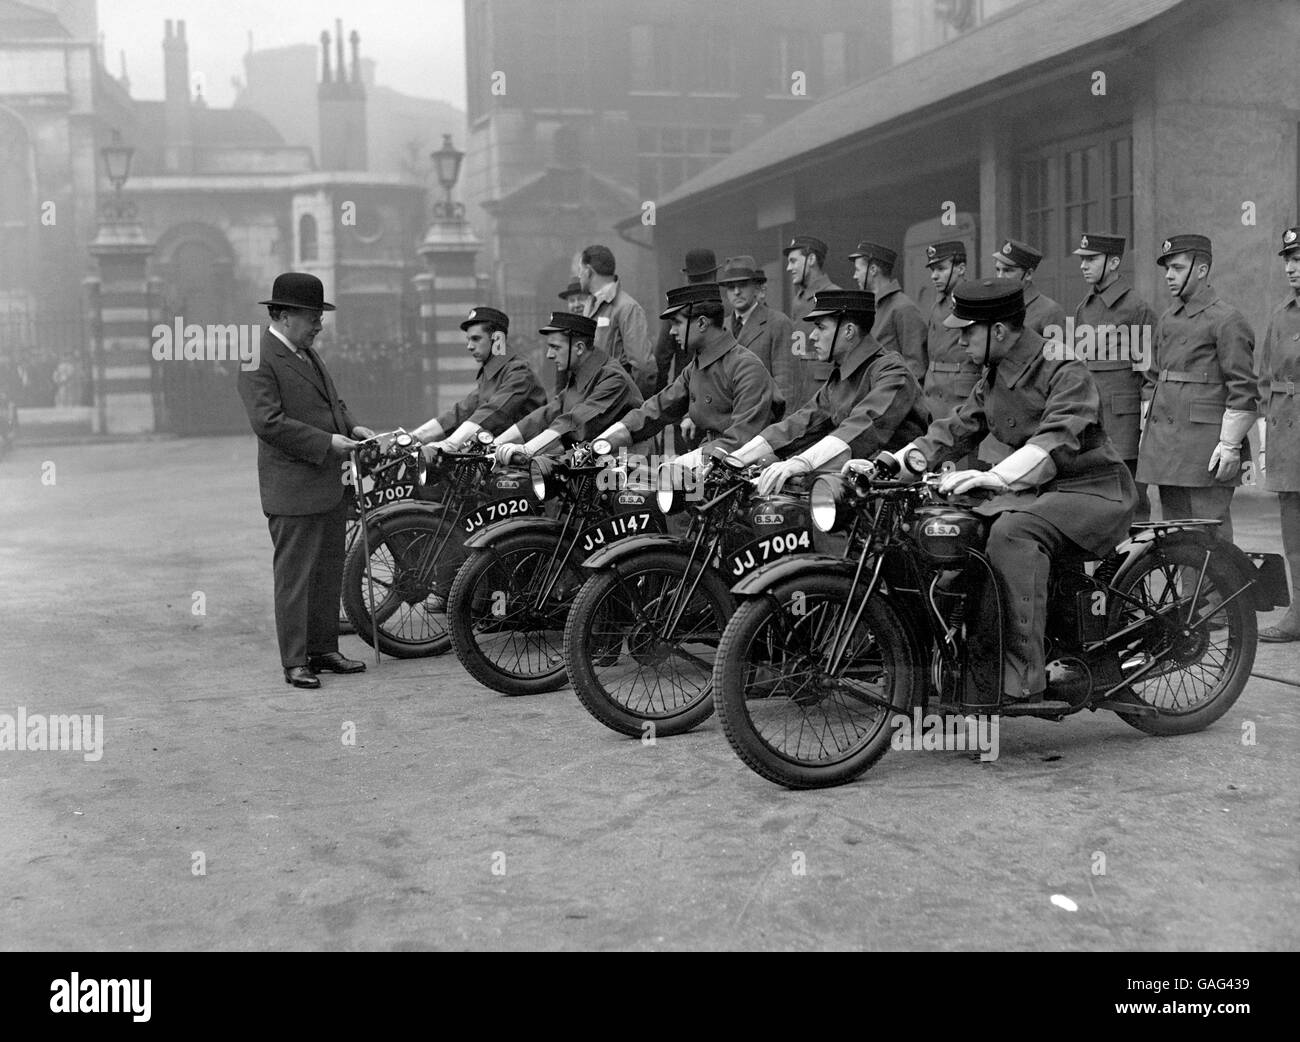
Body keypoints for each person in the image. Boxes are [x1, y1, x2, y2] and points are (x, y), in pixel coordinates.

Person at [864, 279, 1137, 703]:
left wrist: (996, 478)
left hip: (1091, 490)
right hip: (1037, 490)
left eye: (968, 330)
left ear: (1000, 331)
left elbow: (1056, 441)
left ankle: (1021, 679)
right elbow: (954, 429)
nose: (960, 339)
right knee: (952, 523)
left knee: (1012, 533)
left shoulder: (1063, 367)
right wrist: (895, 463)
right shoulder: (995, 374)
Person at [237, 272, 376, 689]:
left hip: (327, 482)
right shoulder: (256, 356)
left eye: (319, 316)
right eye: (312, 316)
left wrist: (352, 428)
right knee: (296, 577)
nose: (319, 324)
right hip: (293, 488)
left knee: (327, 571)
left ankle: (323, 649)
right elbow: (268, 423)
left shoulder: (305, 352)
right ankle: (295, 660)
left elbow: (332, 402)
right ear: (282, 315)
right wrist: (326, 442)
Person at [726, 289, 930, 494]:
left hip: (896, 496)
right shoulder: (841, 376)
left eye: (821, 328)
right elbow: (801, 423)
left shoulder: (892, 372)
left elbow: (863, 424)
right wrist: (738, 457)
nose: (812, 336)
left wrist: (803, 462)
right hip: (857, 489)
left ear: (848, 331)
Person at [1136, 234, 1258, 544]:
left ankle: (1218, 595)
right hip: (1165, 448)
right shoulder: (1166, 319)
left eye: (1177, 268)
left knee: (1210, 543)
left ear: (1201, 270)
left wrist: (1230, 444)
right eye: (1167, 268)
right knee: (1176, 541)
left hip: (1205, 450)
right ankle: (1187, 596)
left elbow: (1242, 388)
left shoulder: (1228, 320)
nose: (1168, 275)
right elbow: (1153, 379)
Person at [596, 282, 783, 468]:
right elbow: (658, 408)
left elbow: (742, 440)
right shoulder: (696, 367)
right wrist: (606, 439)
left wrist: (682, 463)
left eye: (677, 323)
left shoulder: (746, 367)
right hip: (712, 466)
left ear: (702, 323)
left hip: (743, 475)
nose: (671, 331)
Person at [1069, 231, 1159, 521]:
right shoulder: (1085, 307)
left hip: (1125, 423)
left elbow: (1150, 374)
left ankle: (1139, 562)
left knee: (1131, 500)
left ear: (1114, 262)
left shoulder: (1136, 308)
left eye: (1092, 259)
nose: (1084, 265)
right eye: (1082, 260)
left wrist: (1146, 424)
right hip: (1093, 420)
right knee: (1097, 503)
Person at [491, 312, 643, 464]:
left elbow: (575, 421)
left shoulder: (613, 378)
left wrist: (528, 450)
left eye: (555, 347)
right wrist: (495, 445)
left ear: (579, 348)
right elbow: (547, 414)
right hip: (597, 468)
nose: (549, 355)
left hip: (629, 474)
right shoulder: (583, 373)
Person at [410, 306, 546, 452]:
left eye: (476, 339)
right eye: (468, 340)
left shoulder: (518, 372)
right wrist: (415, 436)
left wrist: (450, 444)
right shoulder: (491, 373)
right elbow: (461, 412)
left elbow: (495, 410)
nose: (469, 346)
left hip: (525, 457)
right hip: (498, 453)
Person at [1257, 226, 1300, 641]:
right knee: (1293, 527)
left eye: (1299, 259)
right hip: (1288, 428)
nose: (1291, 267)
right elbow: (1265, 376)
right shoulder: (1281, 314)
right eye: (1288, 259)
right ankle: (1298, 614)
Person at [716, 255, 797, 410]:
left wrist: (781, 429)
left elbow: (786, 385)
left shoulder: (778, 323)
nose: (737, 292)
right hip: (727, 421)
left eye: (743, 285)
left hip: (763, 420)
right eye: (731, 287)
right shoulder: (721, 327)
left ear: (756, 287)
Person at [580, 244, 656, 397]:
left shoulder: (627, 308)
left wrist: (633, 405)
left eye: (580, 269)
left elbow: (643, 366)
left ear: (588, 271)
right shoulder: (590, 305)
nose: (579, 275)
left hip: (614, 404)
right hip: (593, 401)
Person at [850, 240, 928, 383]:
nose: (854, 276)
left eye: (858, 270)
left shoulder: (904, 308)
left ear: (873, 270)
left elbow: (916, 367)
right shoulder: (871, 308)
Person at [922, 240, 978, 421]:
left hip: (961, 395)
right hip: (932, 394)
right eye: (932, 270)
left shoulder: (974, 301)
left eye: (941, 269)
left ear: (961, 269)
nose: (934, 276)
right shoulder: (937, 305)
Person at [783, 234, 841, 406]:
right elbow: (797, 348)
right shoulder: (798, 300)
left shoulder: (833, 294)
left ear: (811, 259)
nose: (788, 267)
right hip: (799, 385)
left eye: (793, 261)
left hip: (824, 385)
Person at [654, 248, 719, 396]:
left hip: (684, 395)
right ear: (715, 275)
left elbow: (661, 359)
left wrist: (660, 397)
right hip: (719, 397)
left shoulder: (677, 309)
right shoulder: (727, 308)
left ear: (687, 277)